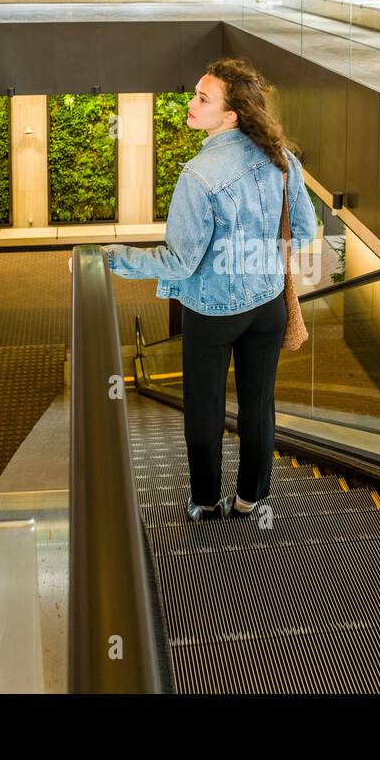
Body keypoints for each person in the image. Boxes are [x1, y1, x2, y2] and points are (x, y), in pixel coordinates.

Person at [102, 58, 317, 522]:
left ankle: (204, 501)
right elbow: (303, 230)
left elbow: (180, 261)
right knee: (259, 405)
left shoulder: (198, 176)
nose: (191, 104)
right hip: (268, 306)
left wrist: (117, 257)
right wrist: (258, 259)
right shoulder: (282, 159)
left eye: (203, 98)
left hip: (212, 310)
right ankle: (251, 499)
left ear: (231, 115)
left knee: (205, 410)